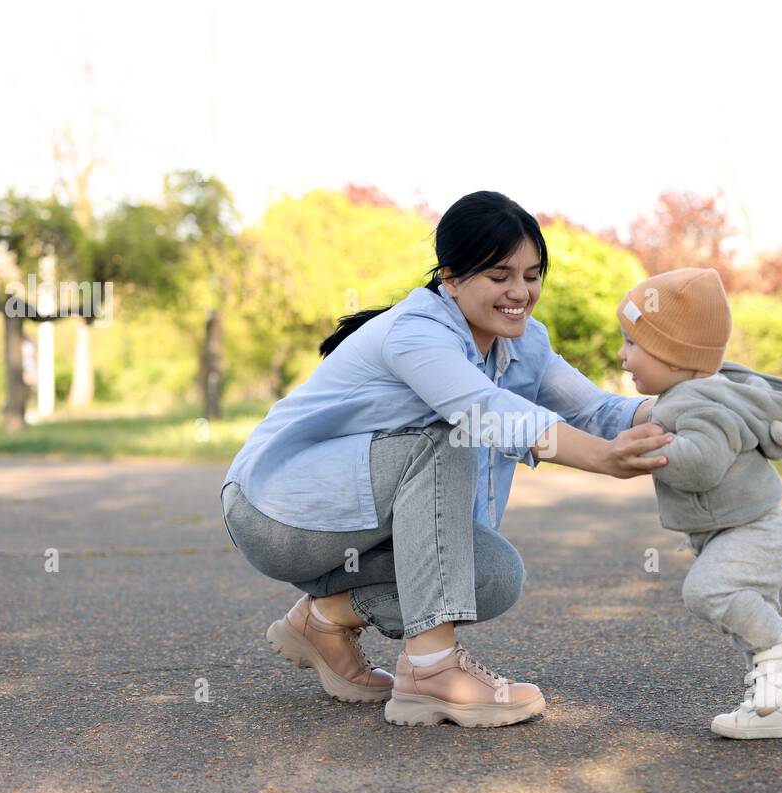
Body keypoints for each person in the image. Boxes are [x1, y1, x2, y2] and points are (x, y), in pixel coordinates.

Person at [221, 190, 674, 727]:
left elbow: (598, 409)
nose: (520, 292)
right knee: (444, 437)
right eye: (500, 275)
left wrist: (694, 406)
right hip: (276, 512)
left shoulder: (525, 343)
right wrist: (603, 460)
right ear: (451, 278)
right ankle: (431, 672)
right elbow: (486, 413)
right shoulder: (416, 333)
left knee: (492, 575)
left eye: (532, 275)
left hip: (357, 524)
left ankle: (323, 620)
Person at [614, 267, 782, 739]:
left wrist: (652, 448)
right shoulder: (696, 392)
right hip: (740, 529)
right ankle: (778, 711)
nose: (623, 357)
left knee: (708, 592)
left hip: (753, 533)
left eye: (632, 344)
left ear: (673, 352)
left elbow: (703, 463)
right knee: (743, 622)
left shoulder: (696, 401)